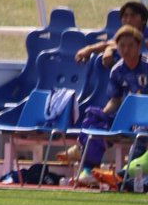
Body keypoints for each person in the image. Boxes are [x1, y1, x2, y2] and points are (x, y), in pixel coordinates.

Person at [62, 25, 148, 187]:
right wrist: (103, 113)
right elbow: (115, 100)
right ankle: (88, 171)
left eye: (130, 45)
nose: (126, 49)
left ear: (138, 46)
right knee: (95, 121)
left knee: (142, 134)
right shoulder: (117, 70)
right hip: (128, 118)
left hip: (145, 120)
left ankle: (124, 176)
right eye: (122, 45)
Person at [73, 0, 148, 66]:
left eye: (133, 16)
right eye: (125, 16)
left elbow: (139, 46)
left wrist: (109, 48)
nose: (128, 20)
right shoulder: (123, 33)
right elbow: (111, 43)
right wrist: (89, 49)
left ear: (143, 19)